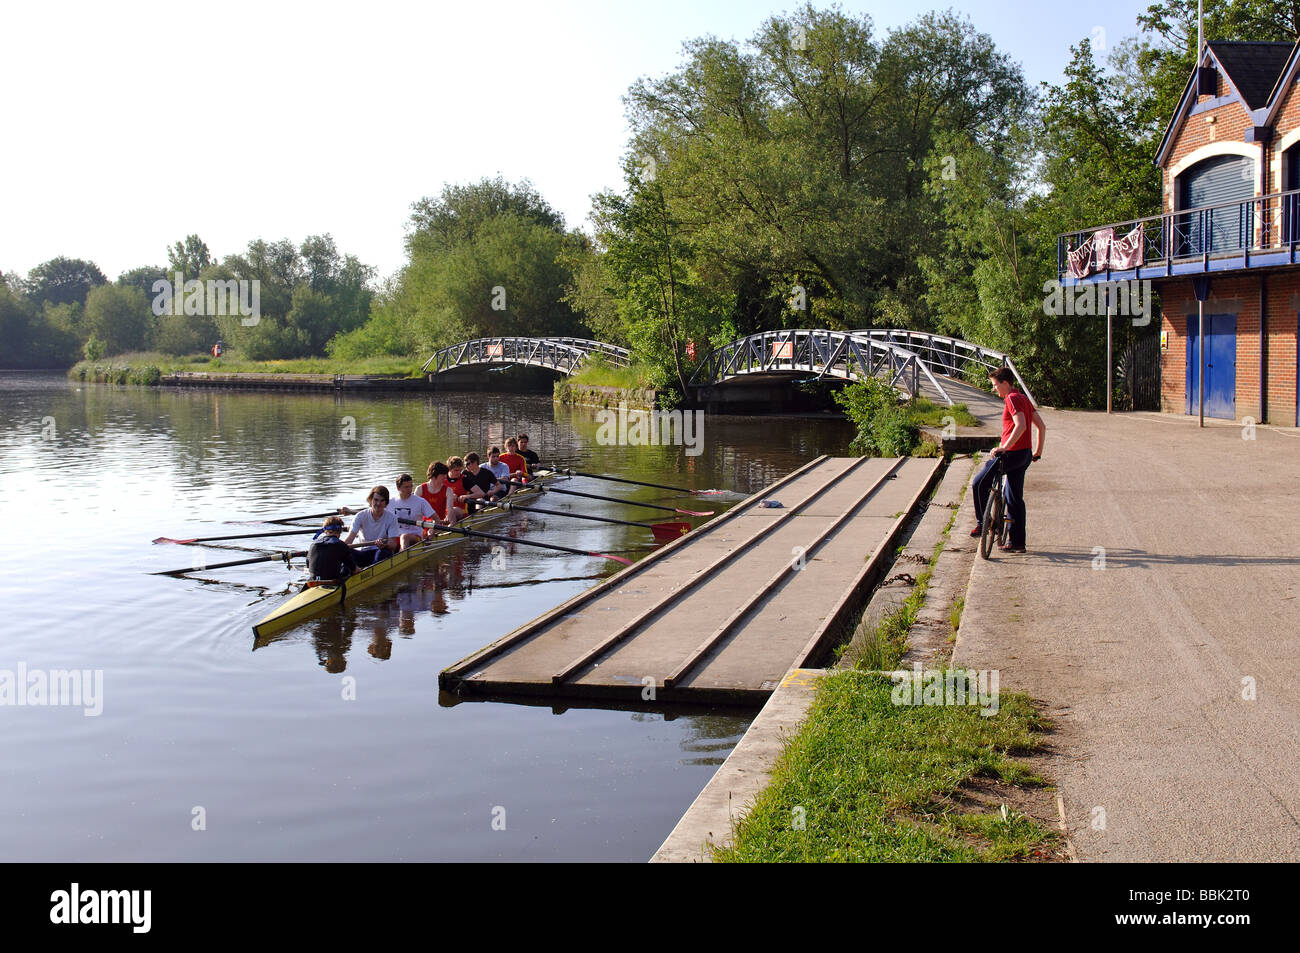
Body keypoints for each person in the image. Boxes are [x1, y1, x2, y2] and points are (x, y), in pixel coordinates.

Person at [971, 368, 1046, 553]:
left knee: (978, 483)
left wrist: (1004, 447)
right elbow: (1041, 427)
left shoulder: (1011, 398)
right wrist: (1037, 452)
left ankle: (983, 522)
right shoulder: (1024, 399)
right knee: (1014, 499)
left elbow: (1020, 425)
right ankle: (1017, 542)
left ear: (1005, 383)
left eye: (996, 385)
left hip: (1010, 455)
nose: (995, 389)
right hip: (1025, 455)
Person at [344, 485, 402, 566]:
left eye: (382, 501)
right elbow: (349, 539)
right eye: (376, 500)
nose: (378, 503)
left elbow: (393, 545)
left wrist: (385, 543)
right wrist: (338, 547)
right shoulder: (360, 516)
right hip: (364, 552)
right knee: (346, 552)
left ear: (386, 503)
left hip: (381, 551)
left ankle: (369, 572)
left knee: (382, 553)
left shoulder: (392, 518)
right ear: (370, 500)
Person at [388, 473, 436, 548]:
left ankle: (402, 556)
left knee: (404, 537)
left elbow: (436, 519)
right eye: (406, 487)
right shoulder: (390, 502)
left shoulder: (420, 502)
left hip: (416, 536)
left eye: (411, 486)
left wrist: (431, 531)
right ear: (398, 488)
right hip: (395, 536)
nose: (410, 489)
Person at [307, 516, 359, 580]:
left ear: (325, 531)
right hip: (332, 581)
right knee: (347, 569)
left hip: (313, 580)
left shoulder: (314, 544)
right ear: (340, 531)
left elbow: (308, 565)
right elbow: (354, 570)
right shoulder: (341, 545)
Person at [417, 461, 456, 526]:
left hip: (439, 523)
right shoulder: (420, 489)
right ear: (434, 475)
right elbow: (415, 510)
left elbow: (450, 509)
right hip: (423, 523)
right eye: (443, 475)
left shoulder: (448, 491)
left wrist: (450, 520)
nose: (445, 477)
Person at [444, 457, 470, 522]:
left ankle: (450, 525)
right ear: (449, 469)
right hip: (444, 510)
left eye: (460, 470)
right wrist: (449, 496)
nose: (459, 472)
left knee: (452, 510)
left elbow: (480, 493)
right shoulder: (442, 479)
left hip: (461, 510)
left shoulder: (465, 480)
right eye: (456, 470)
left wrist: (466, 496)